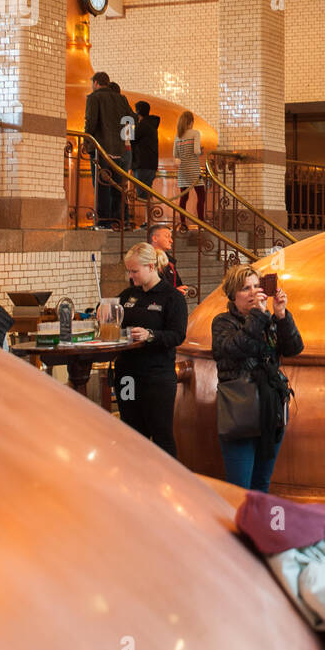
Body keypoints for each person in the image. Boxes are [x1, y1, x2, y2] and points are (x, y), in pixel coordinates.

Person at [211, 265, 303, 493]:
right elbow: (235, 349)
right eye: (245, 288)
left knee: (262, 483)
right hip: (240, 409)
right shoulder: (223, 322)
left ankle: (258, 528)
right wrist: (259, 316)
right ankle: (236, 528)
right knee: (240, 486)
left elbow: (293, 348)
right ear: (233, 295)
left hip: (270, 407)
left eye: (256, 286)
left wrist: (281, 316)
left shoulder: (266, 319)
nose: (253, 293)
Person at [114, 242, 188, 458]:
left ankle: (169, 484)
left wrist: (151, 335)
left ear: (150, 267)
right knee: (130, 429)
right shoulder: (128, 295)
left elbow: (177, 335)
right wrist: (103, 312)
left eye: (134, 271)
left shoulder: (172, 297)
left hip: (156, 376)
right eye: (128, 270)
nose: (130, 275)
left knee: (160, 432)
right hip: (127, 375)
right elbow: (109, 312)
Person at [83, 71, 134, 228]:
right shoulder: (121, 98)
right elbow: (130, 118)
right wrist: (122, 138)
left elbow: (91, 122)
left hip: (100, 149)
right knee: (117, 185)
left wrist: (86, 140)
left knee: (101, 185)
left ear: (96, 83)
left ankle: (103, 221)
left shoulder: (94, 97)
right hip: (119, 150)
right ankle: (117, 220)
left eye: (93, 84)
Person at [174, 110, 205, 232]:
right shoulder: (195, 133)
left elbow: (175, 154)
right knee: (201, 197)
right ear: (191, 122)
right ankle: (201, 224)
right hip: (193, 168)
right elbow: (196, 151)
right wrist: (201, 151)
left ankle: (183, 224)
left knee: (183, 198)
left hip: (182, 170)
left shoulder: (178, 136)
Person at [131, 100, 160, 226]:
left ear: (138, 112)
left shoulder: (143, 126)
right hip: (151, 164)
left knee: (143, 193)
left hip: (142, 164)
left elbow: (129, 138)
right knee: (147, 192)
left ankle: (149, 221)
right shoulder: (152, 125)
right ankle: (149, 221)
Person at [148, 222, 188, 296]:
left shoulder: (170, 261)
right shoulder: (146, 259)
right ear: (155, 238)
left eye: (171, 237)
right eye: (167, 236)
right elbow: (149, 288)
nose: (171, 241)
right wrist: (172, 292)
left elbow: (177, 284)